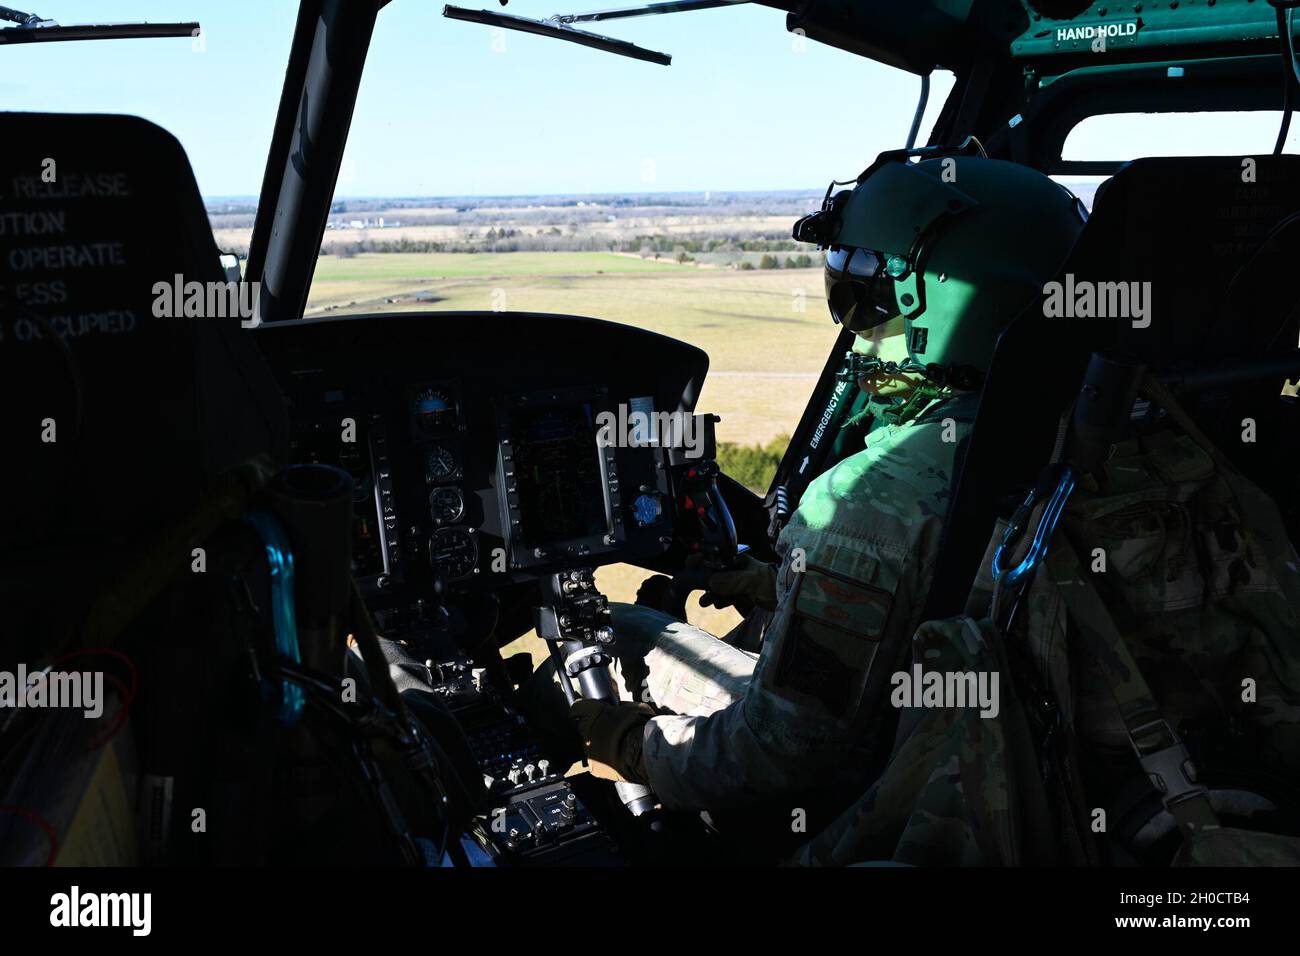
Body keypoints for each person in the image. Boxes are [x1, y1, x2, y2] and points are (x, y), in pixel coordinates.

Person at [563, 150, 1089, 813]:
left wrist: (633, 742)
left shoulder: (875, 497)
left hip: (905, 811)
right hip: (1059, 789)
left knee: (616, 629)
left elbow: (777, 757)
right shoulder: (1118, 432)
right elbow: (955, 590)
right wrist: (771, 580)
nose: (854, 322)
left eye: (861, 289)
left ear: (939, 299)